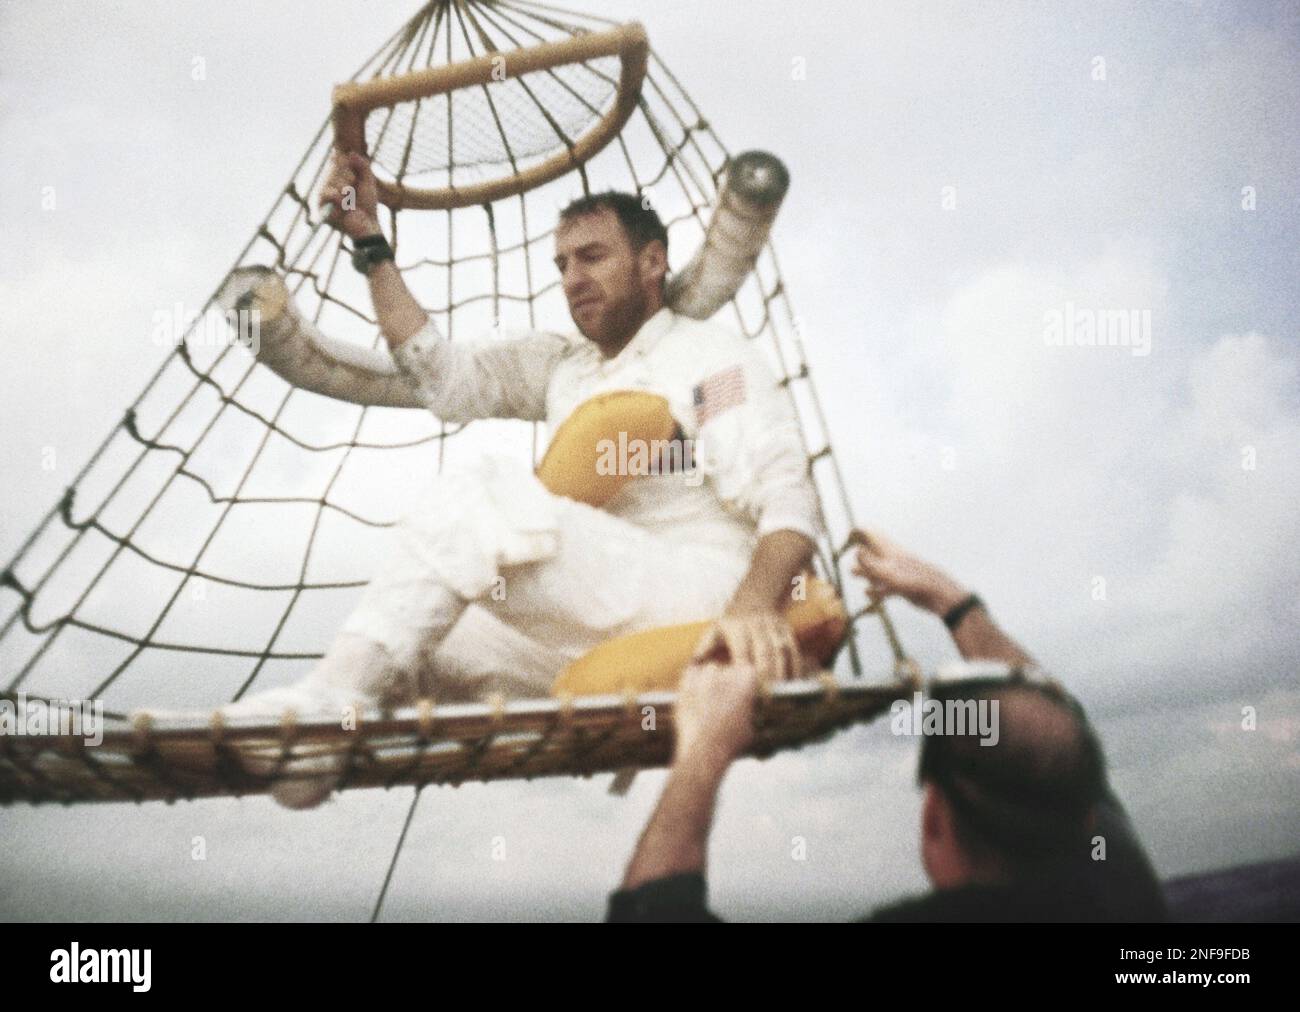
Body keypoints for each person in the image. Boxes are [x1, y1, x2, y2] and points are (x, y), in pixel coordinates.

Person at [213, 151, 821, 807]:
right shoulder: (565, 370)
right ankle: (318, 753)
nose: (572, 277)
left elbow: (787, 500)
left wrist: (753, 611)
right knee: (435, 638)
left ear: (652, 263)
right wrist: (369, 242)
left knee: (485, 491)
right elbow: (442, 378)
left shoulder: (708, 360)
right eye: (562, 264)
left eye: (592, 256)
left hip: (700, 591)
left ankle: (330, 702)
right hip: (602, 614)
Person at [606, 530, 1168, 922]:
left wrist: (701, 748)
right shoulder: (1124, 898)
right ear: (1088, 813)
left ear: (935, 821)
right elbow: (1049, 727)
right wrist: (952, 601)